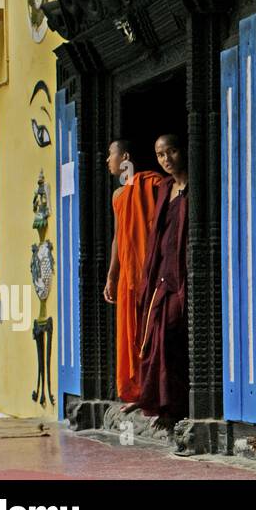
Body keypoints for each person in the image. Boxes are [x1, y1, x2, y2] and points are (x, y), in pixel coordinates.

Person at [132, 133, 190, 428]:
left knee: (172, 336)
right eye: (160, 155)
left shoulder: (192, 186)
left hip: (185, 273)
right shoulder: (164, 188)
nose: (167, 159)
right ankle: (163, 406)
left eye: (172, 151)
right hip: (163, 274)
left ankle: (177, 405)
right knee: (156, 338)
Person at [102, 139, 163, 404]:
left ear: (124, 156)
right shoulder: (118, 196)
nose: (107, 160)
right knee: (129, 332)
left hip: (149, 268)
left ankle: (151, 389)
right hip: (127, 272)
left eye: (110, 154)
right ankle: (135, 389)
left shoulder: (153, 184)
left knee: (149, 330)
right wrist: (111, 275)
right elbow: (118, 237)